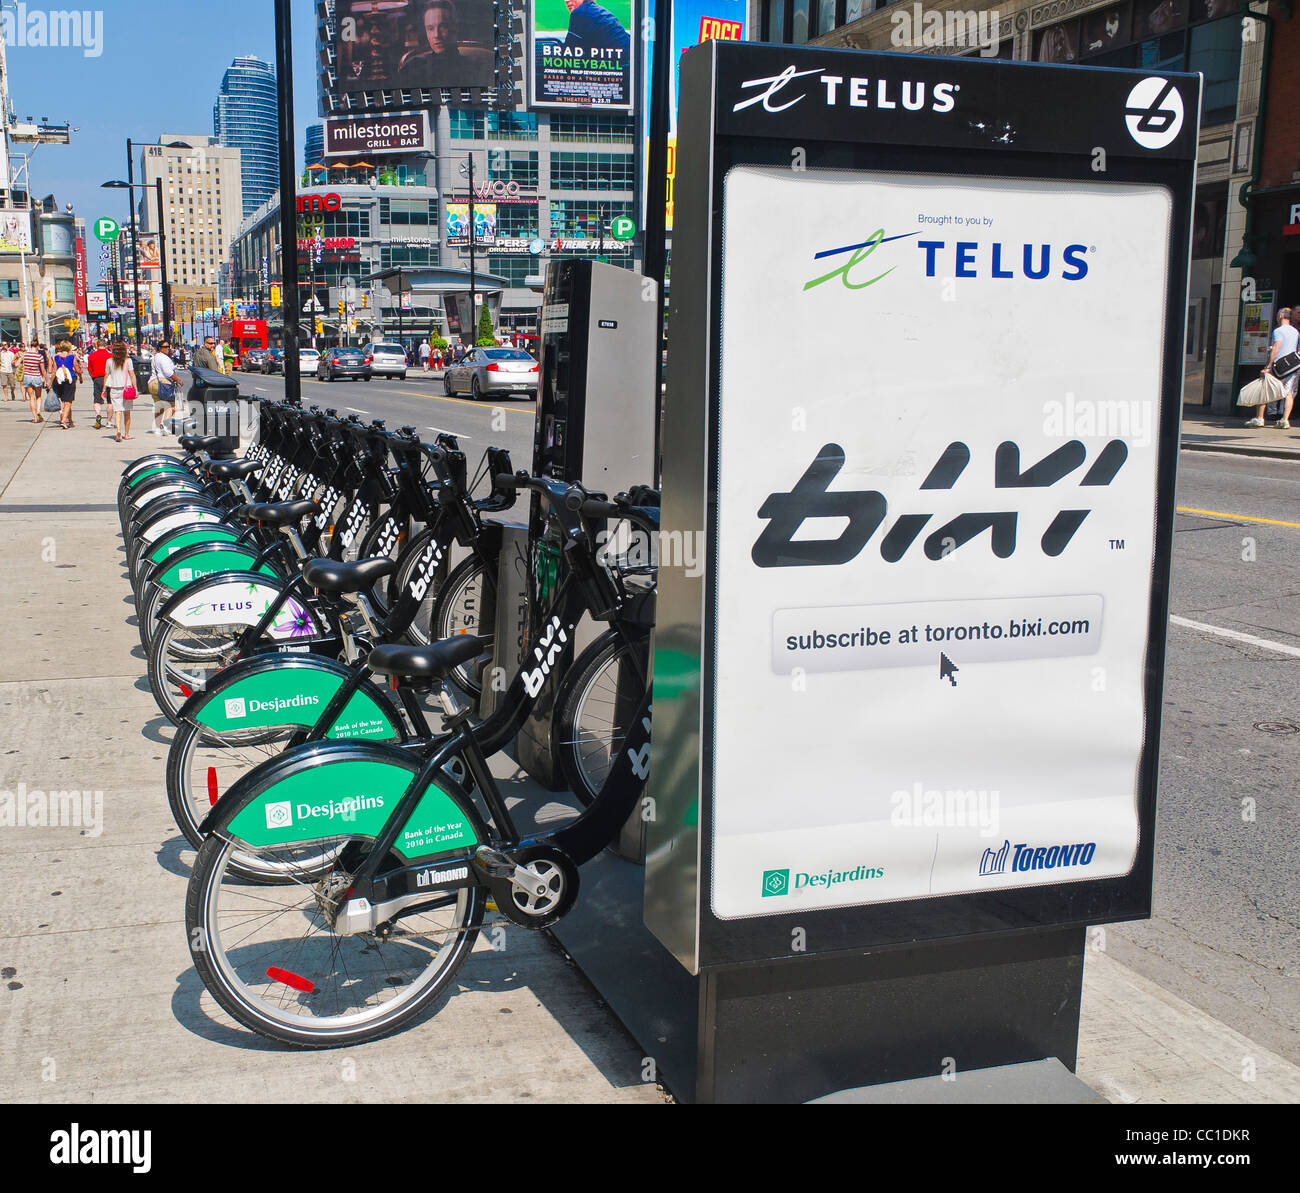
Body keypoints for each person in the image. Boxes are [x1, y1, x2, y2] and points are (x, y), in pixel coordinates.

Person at [398, 0, 493, 87]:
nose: (436, 35)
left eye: (443, 27)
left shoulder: (476, 68)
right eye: (430, 28)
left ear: (455, 28)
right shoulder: (413, 67)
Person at [1246, 306, 1296, 429]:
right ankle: (1284, 420)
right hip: (1292, 367)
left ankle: (1259, 418)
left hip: (1278, 366)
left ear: (1280, 317)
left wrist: (1268, 366)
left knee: (1264, 389)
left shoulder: (1278, 331)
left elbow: (1276, 347)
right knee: (1288, 393)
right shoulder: (1296, 332)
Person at [560, 0, 631, 54]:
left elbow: (568, 53)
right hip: (624, 62)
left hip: (614, 67)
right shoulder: (597, 10)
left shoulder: (579, 13)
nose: (567, 1)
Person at [105, 341, 137, 442]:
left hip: (114, 388)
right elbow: (132, 375)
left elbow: (107, 376)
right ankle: (126, 434)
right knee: (127, 413)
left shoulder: (109, 361)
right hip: (126, 389)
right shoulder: (128, 361)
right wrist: (135, 388)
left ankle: (118, 431)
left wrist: (103, 389)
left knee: (117, 411)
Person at [150, 340, 179, 435]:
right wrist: (178, 380)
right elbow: (168, 372)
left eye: (168, 346)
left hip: (153, 382)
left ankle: (157, 428)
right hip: (164, 382)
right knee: (170, 405)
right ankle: (166, 427)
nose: (167, 348)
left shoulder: (155, 357)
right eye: (165, 346)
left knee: (159, 406)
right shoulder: (164, 358)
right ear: (159, 348)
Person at [52, 339, 81, 429]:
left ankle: (70, 421)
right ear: (69, 348)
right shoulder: (72, 357)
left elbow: (54, 371)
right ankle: (64, 420)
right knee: (68, 402)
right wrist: (80, 373)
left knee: (66, 402)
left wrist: (49, 382)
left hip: (59, 381)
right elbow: (76, 369)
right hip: (69, 380)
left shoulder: (55, 357)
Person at [22, 338, 49, 423]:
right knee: (38, 397)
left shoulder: (25, 354)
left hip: (27, 376)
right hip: (37, 376)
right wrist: (46, 380)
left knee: (31, 398)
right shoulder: (39, 356)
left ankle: (34, 418)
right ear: (37, 346)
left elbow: (15, 363)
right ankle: (38, 411)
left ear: (30, 346)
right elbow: (43, 369)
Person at [87, 338, 112, 429]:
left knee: (97, 400)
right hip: (109, 379)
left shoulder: (92, 356)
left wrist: (93, 378)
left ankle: (98, 415)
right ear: (106, 345)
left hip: (97, 379)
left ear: (97, 346)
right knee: (110, 401)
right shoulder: (110, 356)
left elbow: (90, 369)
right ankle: (109, 422)